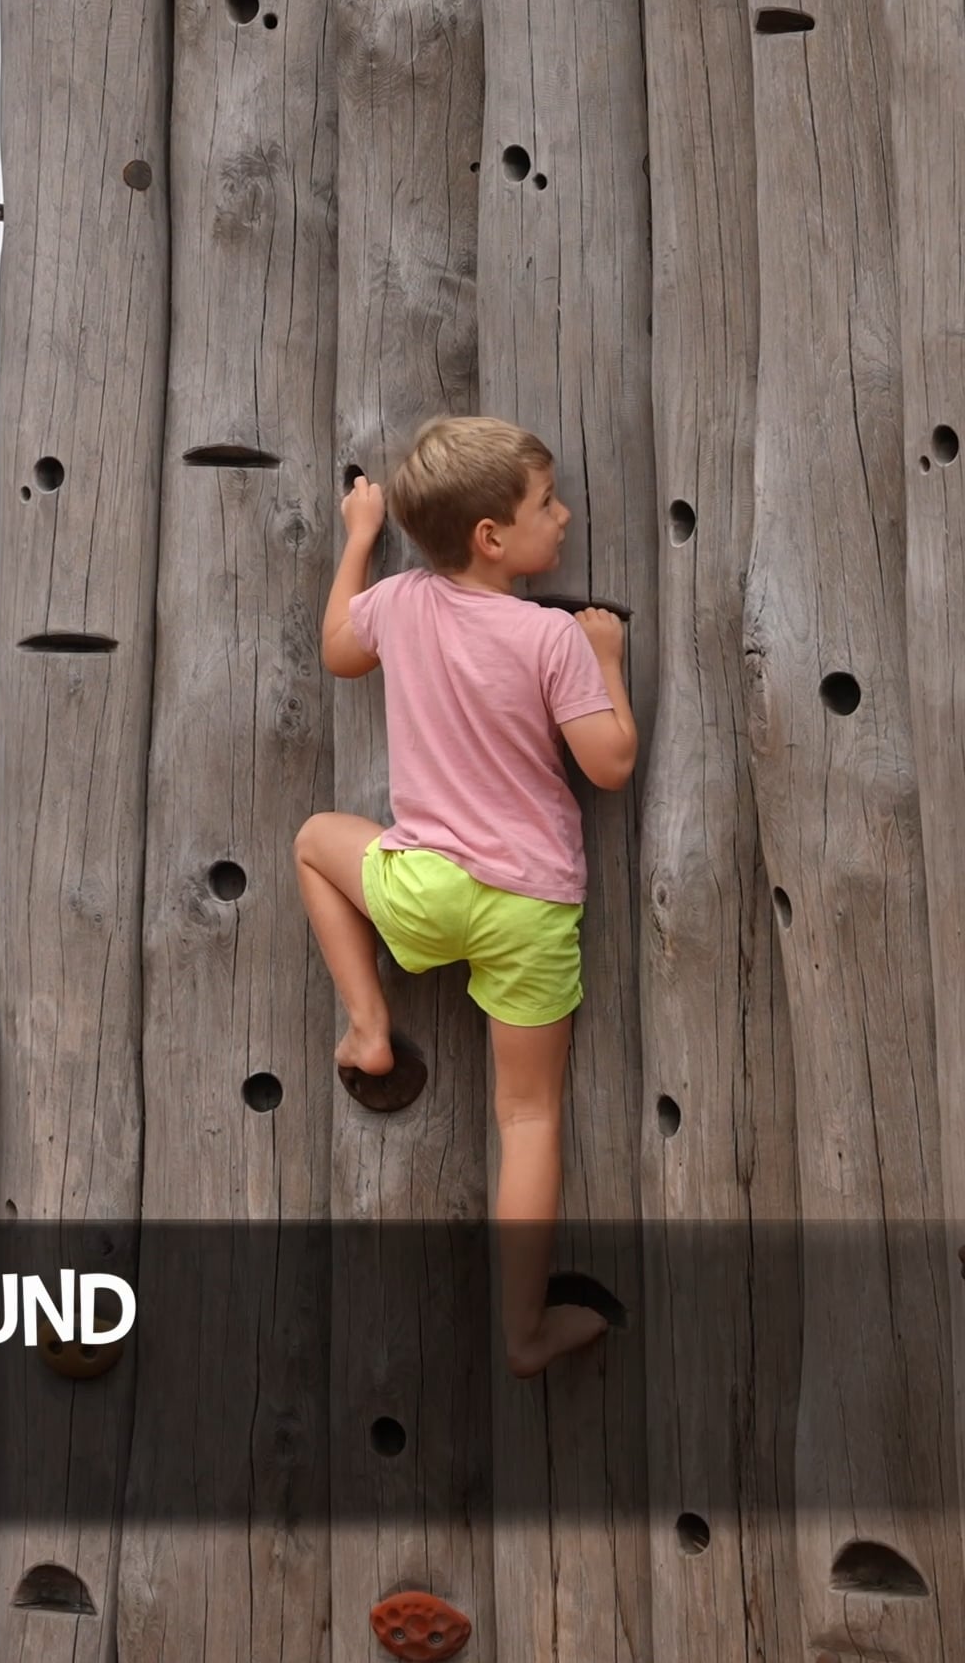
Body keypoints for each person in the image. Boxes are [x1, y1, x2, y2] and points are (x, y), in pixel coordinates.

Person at [293, 414, 636, 1378]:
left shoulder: (399, 604)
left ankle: (368, 1024)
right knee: (527, 1119)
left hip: (429, 889)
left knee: (316, 842)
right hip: (529, 908)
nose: (563, 516)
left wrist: (361, 537)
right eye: (546, 504)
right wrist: (606, 657)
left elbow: (335, 650)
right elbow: (609, 765)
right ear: (494, 537)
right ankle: (524, 1331)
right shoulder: (549, 638)